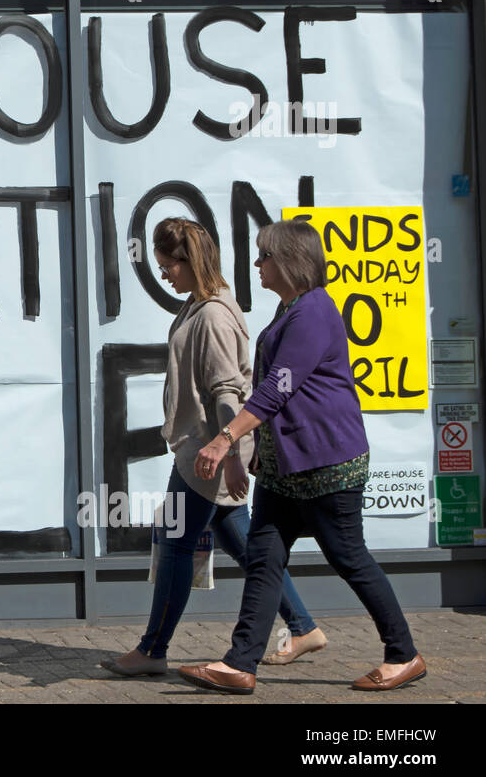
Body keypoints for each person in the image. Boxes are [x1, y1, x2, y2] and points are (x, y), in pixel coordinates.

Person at [178, 219, 424, 694]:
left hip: (328, 464)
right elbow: (278, 395)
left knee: (349, 557)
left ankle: (404, 654)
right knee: (265, 559)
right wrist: (262, 452)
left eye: (264, 256)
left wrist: (224, 439)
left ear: (289, 260)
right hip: (286, 469)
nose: (257, 264)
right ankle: (240, 664)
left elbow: (278, 389)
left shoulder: (313, 312)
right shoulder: (289, 308)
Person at [101, 217, 325, 678]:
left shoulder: (213, 315)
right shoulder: (202, 303)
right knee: (246, 546)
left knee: (176, 545)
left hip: (206, 452)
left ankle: (152, 649)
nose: (165, 274)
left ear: (188, 261)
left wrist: (225, 454)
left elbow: (228, 391)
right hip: (207, 450)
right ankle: (302, 627)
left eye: (168, 267)